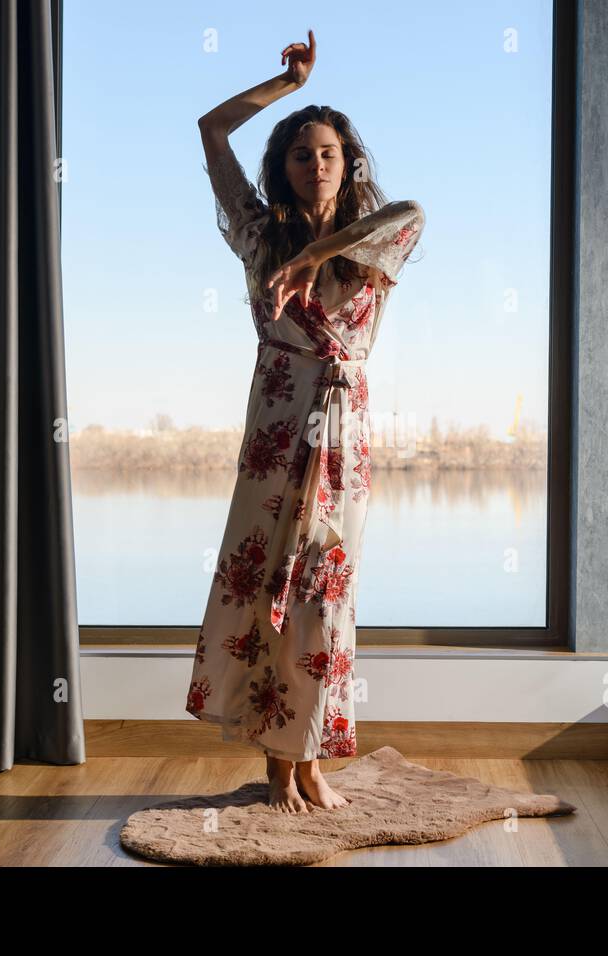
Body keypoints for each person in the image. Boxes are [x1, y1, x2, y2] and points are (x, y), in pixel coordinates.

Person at [187, 29, 425, 813]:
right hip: (277, 430)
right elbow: (211, 130)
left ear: (347, 163)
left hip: (342, 441)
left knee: (325, 596)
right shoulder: (257, 236)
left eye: (328, 153)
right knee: (265, 593)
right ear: (282, 165)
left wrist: (315, 259)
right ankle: (274, 762)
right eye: (300, 154)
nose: (315, 165)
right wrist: (285, 88)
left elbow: (413, 210)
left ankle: (311, 753)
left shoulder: (375, 244)